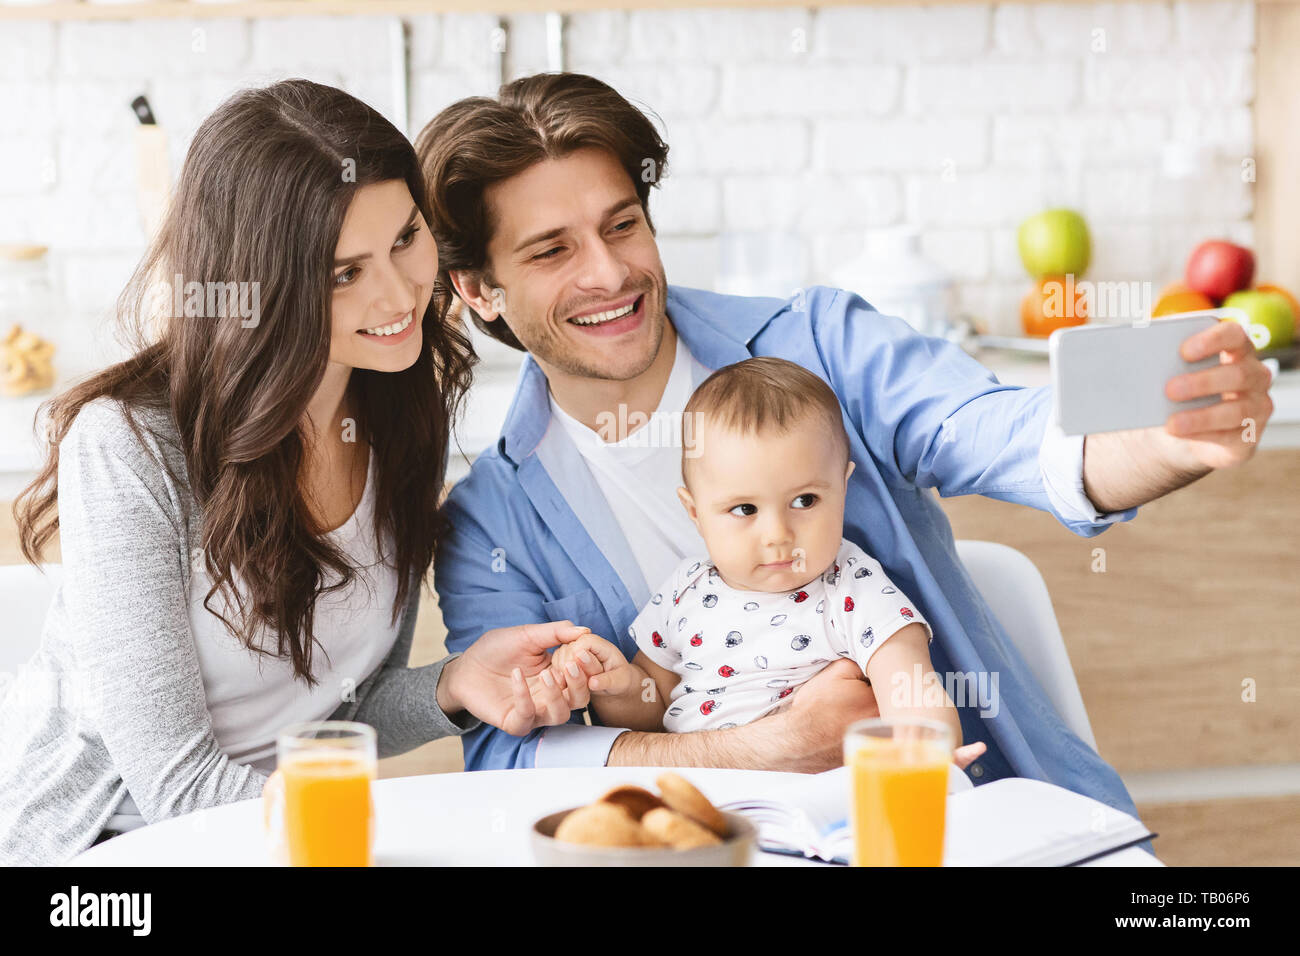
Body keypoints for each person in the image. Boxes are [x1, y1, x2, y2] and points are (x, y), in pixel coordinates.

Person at [417, 74, 1274, 838]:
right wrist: (763, 749)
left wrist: (1161, 440)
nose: (610, 273)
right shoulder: (492, 519)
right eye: (552, 250)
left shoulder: (818, 345)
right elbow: (513, 759)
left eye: (622, 225)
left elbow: (1002, 432)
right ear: (478, 289)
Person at [0, 80, 581, 867]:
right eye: (343, 274)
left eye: (406, 238)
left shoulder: (400, 415)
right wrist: (379, 841)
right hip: (113, 853)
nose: (398, 293)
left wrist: (453, 686)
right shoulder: (131, 447)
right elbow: (175, 783)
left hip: (288, 838)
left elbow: (340, 723)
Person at [550, 357, 978, 765]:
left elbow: (908, 685)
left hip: (819, 798)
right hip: (702, 793)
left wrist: (926, 752)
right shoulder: (685, 590)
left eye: (804, 500)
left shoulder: (851, 585)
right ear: (695, 512)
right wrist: (619, 687)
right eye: (745, 510)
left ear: (842, 489)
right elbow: (652, 708)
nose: (777, 535)